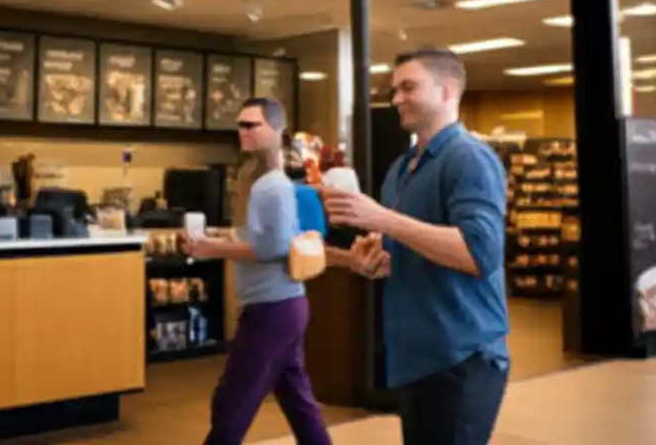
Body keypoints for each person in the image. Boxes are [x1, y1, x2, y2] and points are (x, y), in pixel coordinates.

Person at [321, 48, 510, 445]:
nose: (396, 99)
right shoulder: (401, 169)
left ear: (447, 90)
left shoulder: (469, 158)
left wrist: (381, 218)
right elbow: (412, 245)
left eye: (409, 87)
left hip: (461, 354)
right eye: (394, 90)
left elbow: (479, 254)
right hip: (416, 356)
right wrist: (374, 257)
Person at [183, 97, 332, 445]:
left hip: (272, 308)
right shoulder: (263, 181)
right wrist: (219, 237)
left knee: (232, 402)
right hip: (282, 305)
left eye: (252, 125)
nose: (243, 131)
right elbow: (260, 236)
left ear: (277, 129)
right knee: (297, 402)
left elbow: (272, 248)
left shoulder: (271, 186)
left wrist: (211, 249)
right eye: (240, 125)